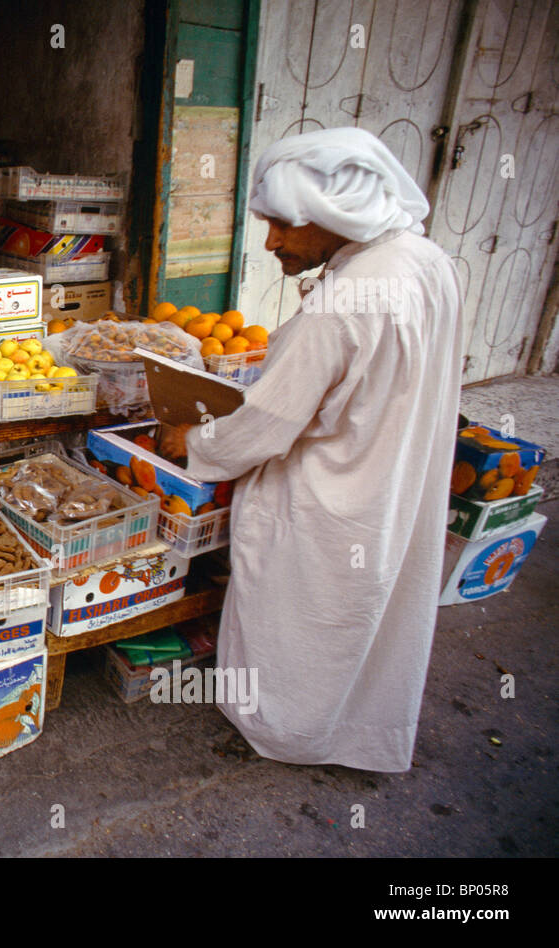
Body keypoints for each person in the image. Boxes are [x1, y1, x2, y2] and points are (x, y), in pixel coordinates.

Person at [159, 127, 464, 771]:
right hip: (394, 483)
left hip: (329, 495)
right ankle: (357, 732)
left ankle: (286, 731)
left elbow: (266, 425)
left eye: (283, 225)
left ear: (335, 213)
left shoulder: (339, 304)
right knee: (368, 618)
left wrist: (195, 441)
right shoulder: (425, 260)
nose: (270, 242)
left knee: (302, 619)